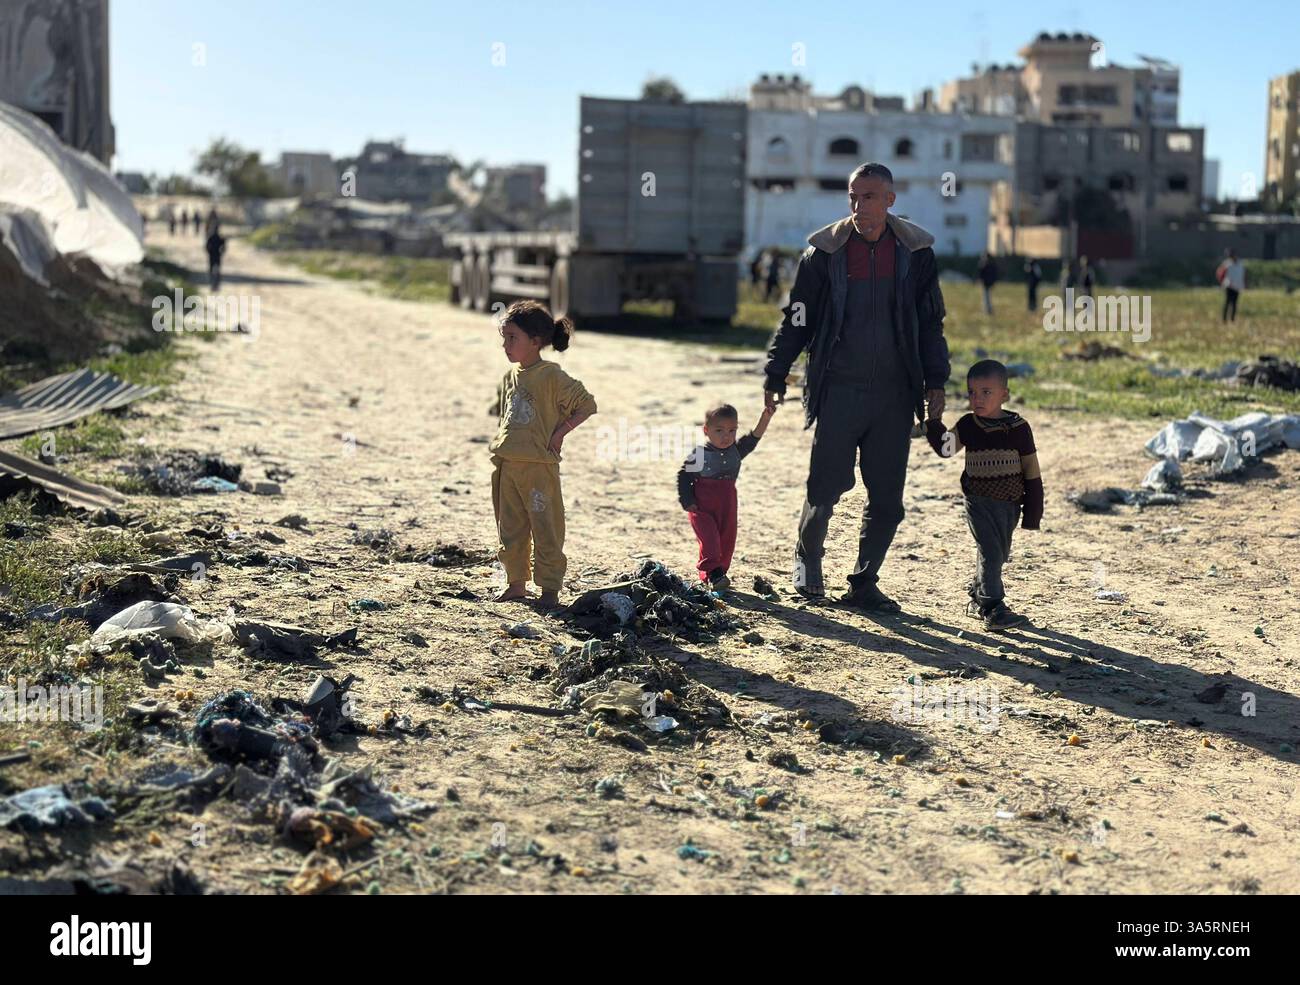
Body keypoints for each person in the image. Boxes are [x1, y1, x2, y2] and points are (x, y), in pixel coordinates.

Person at [764, 161, 950, 611]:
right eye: (852, 196)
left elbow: (931, 322)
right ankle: (808, 561)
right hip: (839, 389)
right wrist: (776, 370)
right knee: (825, 487)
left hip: (895, 394)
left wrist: (936, 383)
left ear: (890, 200)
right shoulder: (824, 254)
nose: (858, 206)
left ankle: (864, 582)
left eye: (869, 197)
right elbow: (798, 318)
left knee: (887, 499)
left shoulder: (916, 253)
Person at [487, 300, 597, 608]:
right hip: (507, 464)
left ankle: (549, 590)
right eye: (504, 338)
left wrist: (559, 434)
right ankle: (516, 584)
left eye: (513, 338)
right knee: (510, 528)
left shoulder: (551, 376)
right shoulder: (510, 376)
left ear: (535, 341)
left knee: (546, 527)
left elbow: (586, 405)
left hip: (538, 467)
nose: (506, 345)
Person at [924, 359, 1043, 629]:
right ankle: (993, 607)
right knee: (990, 551)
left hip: (1010, 505)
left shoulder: (1019, 428)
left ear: (1004, 395)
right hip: (978, 503)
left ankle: (978, 594)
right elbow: (946, 449)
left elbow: (1031, 471)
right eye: (972, 392)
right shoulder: (969, 425)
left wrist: (1032, 512)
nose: (977, 399)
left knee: (998, 553)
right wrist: (934, 423)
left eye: (986, 392)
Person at [677, 402, 774, 591]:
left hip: (727, 503)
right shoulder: (700, 454)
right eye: (719, 430)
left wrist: (765, 418)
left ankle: (718, 574)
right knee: (710, 540)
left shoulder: (735, 452)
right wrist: (687, 501)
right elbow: (684, 476)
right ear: (706, 430)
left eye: (732, 431)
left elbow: (753, 438)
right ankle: (713, 572)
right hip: (701, 507)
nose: (726, 436)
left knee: (726, 541)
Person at [1216, 249, 1245, 322]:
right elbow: (1220, 273)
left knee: (1234, 303)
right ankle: (1224, 319)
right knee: (1227, 303)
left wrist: (1243, 283)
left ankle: (1232, 319)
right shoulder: (1226, 264)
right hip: (1229, 286)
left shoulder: (1240, 263)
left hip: (1237, 286)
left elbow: (1242, 274)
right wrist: (1223, 282)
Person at [205, 224, 226, 290]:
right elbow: (207, 247)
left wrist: (209, 252)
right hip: (215, 255)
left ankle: (214, 283)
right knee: (216, 269)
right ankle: (214, 283)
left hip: (214, 255)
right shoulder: (215, 238)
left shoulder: (213, 238)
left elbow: (207, 247)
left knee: (213, 269)